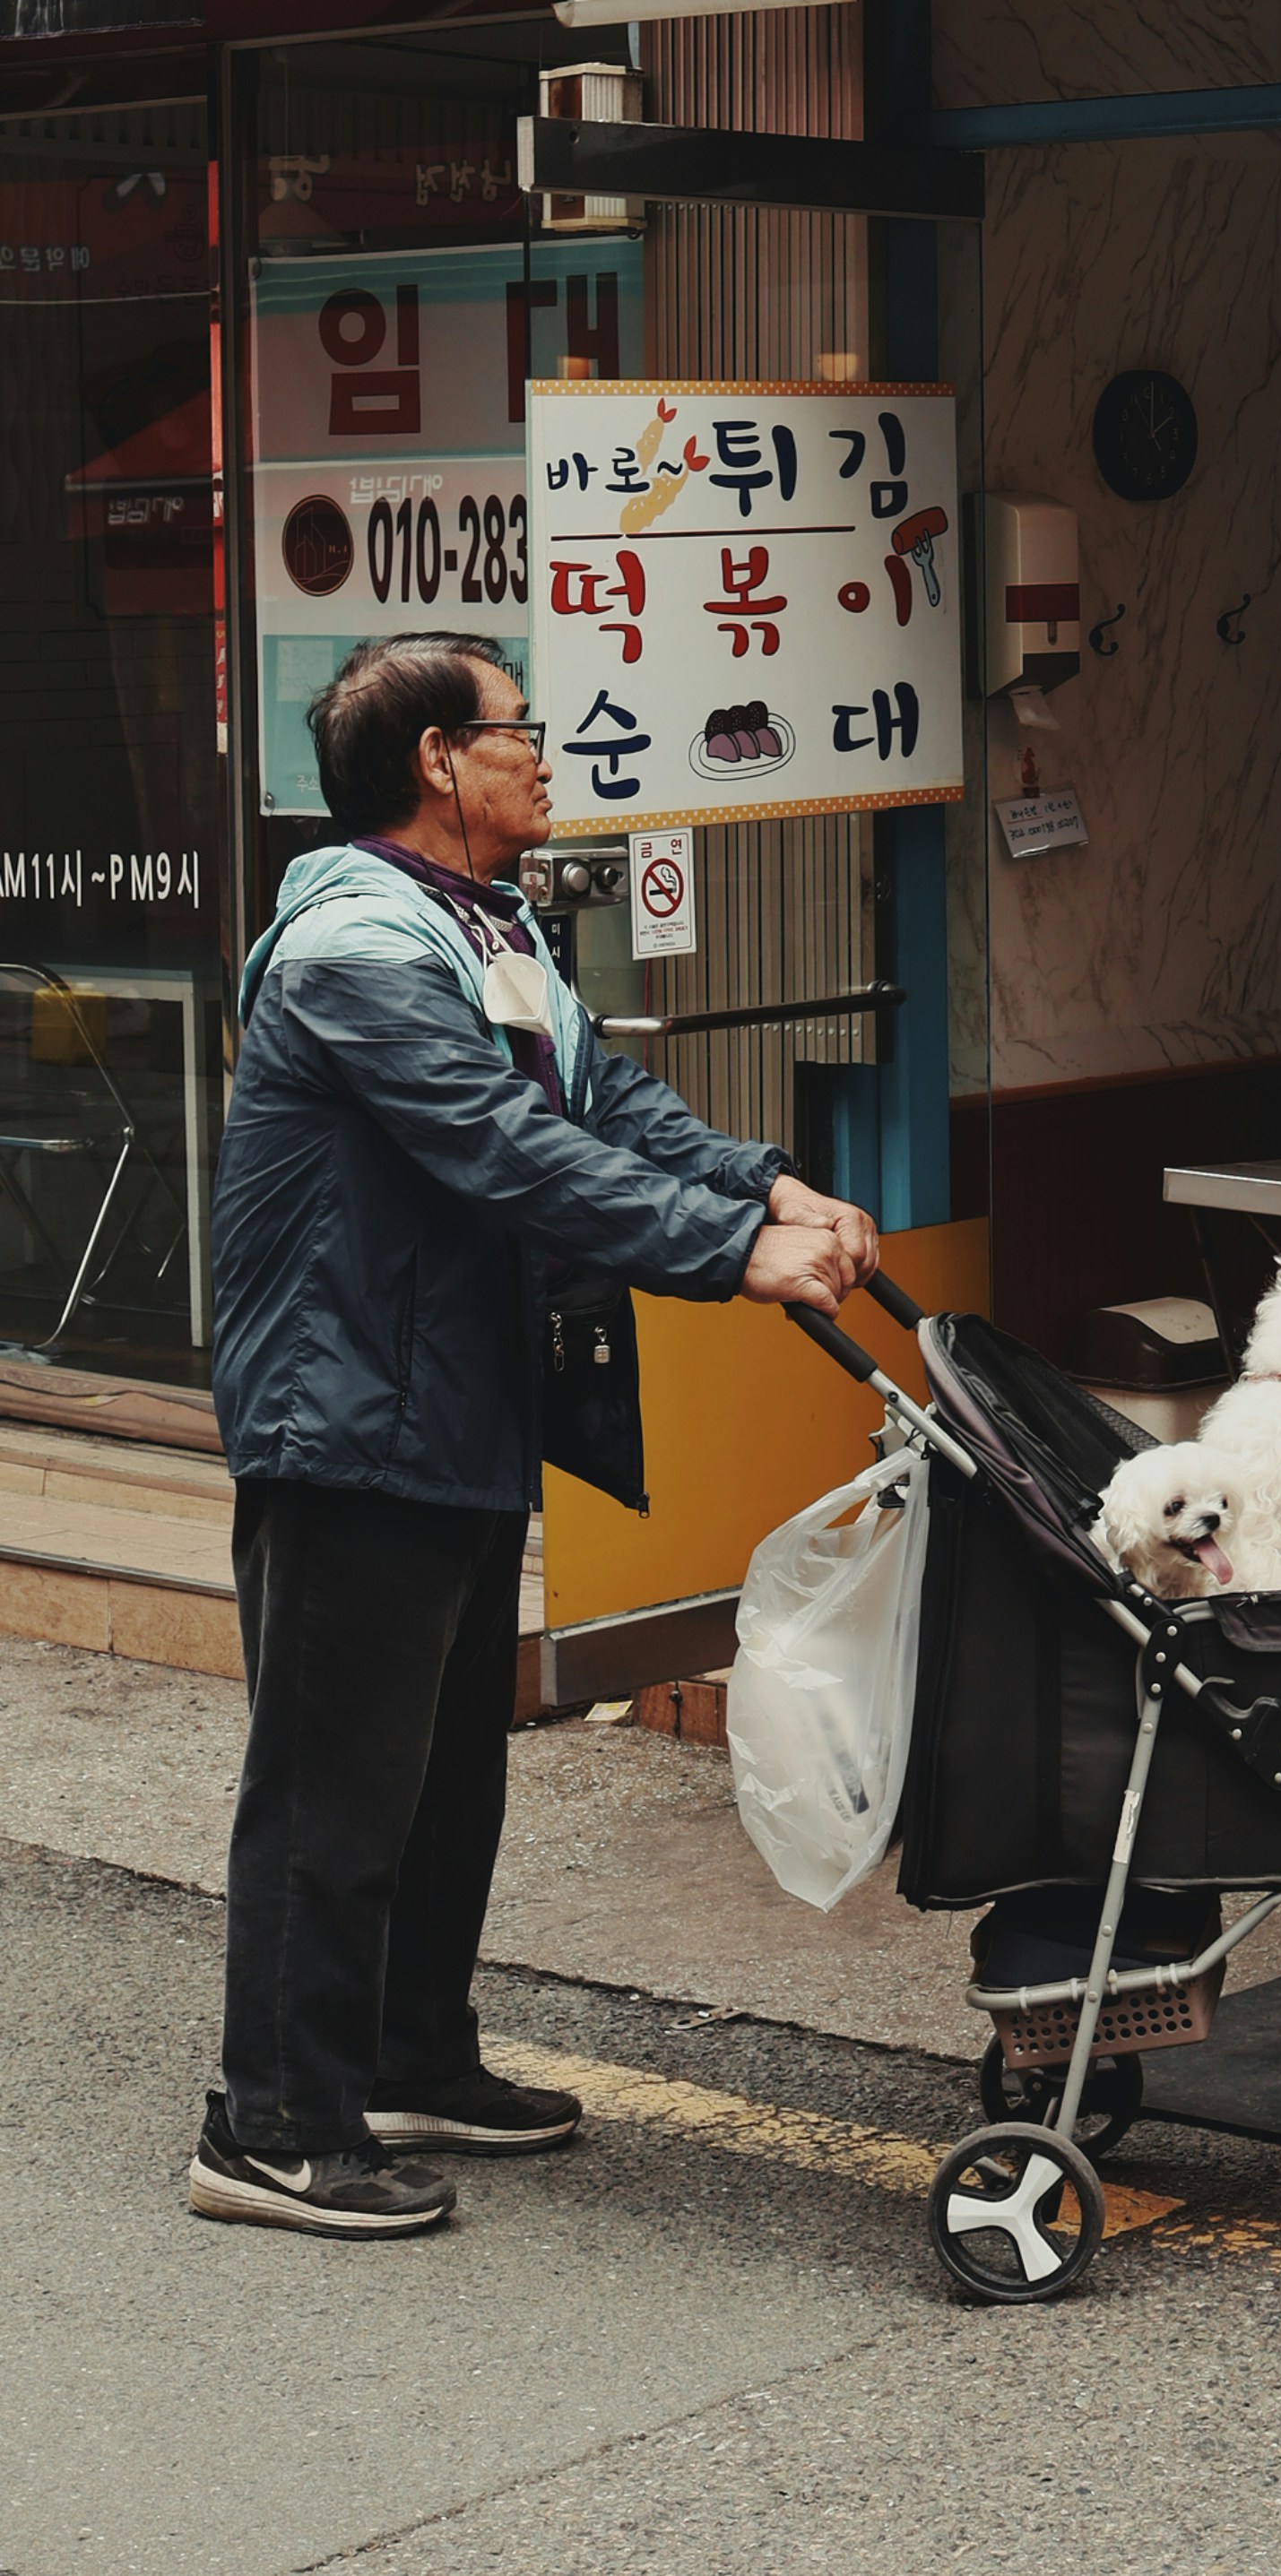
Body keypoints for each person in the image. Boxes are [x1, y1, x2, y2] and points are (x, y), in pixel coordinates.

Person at [191, 631, 877, 2237]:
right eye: (521, 728)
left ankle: (411, 2051)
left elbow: (598, 1101)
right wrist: (729, 1257)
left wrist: (759, 1181)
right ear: (438, 761)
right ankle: (274, 2120)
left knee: (440, 1775)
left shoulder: (479, 923)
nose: (547, 755)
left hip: (448, 1396)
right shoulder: (355, 945)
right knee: (335, 1780)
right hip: (348, 1407)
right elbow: (500, 1146)